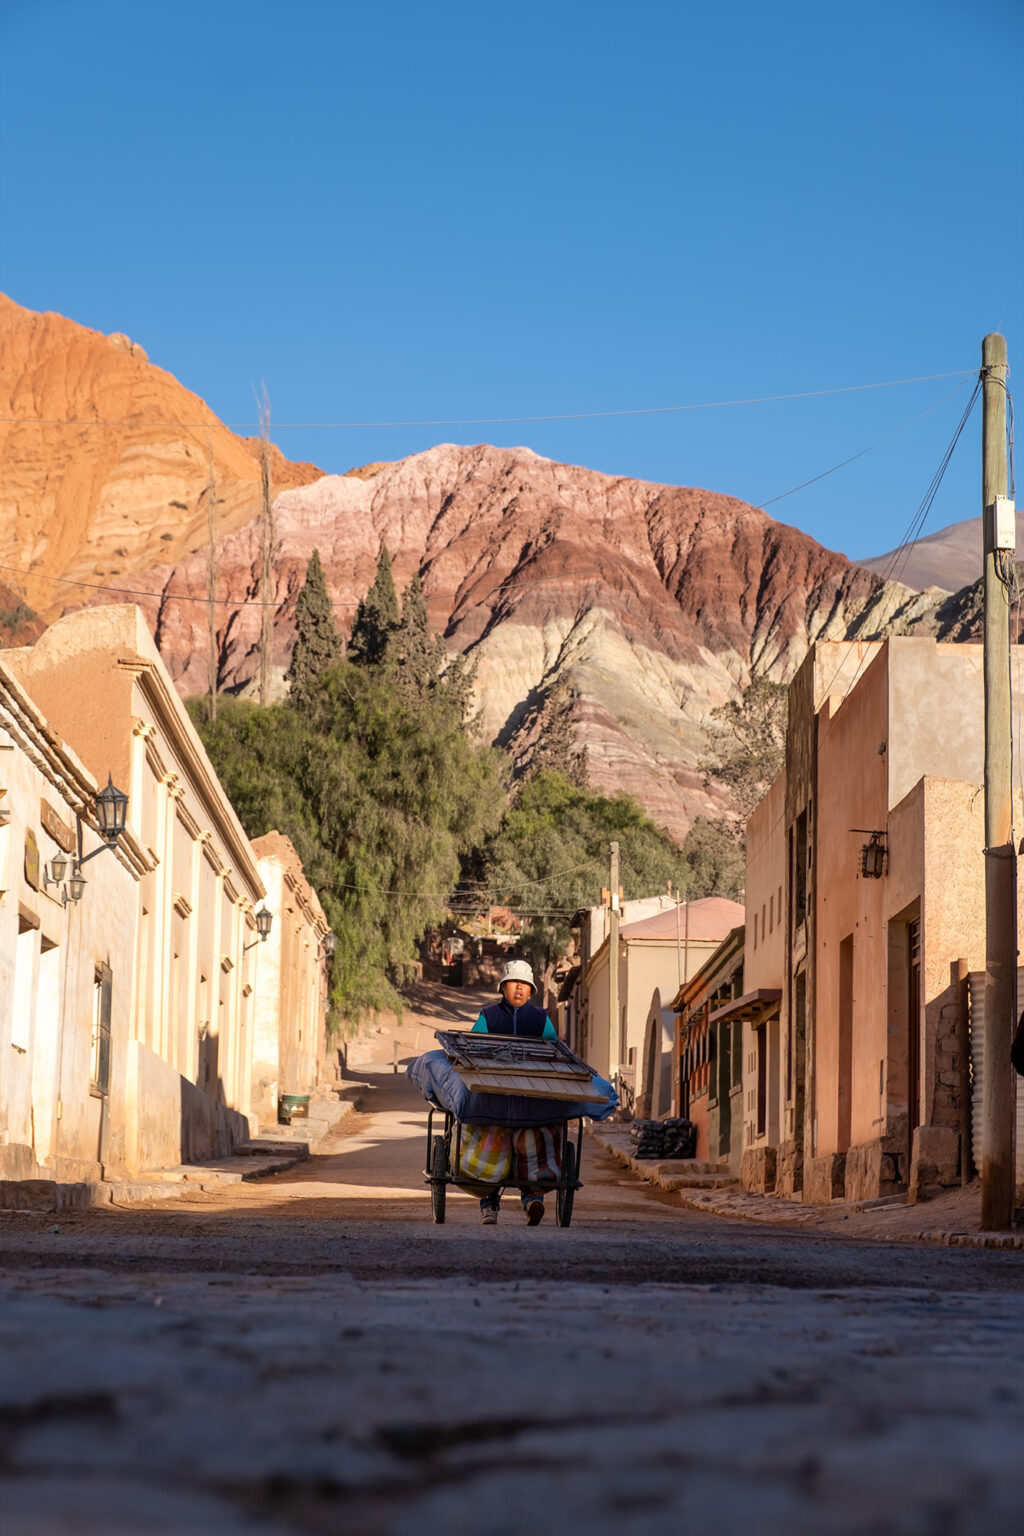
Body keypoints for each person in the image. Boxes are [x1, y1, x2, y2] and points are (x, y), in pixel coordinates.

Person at [472, 959, 557, 1227]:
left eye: (524, 984)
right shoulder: (488, 1017)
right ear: (504, 987)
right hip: (493, 1100)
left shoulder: (541, 1019)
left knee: (532, 1146)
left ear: (531, 990)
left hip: (529, 1101)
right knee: (490, 1147)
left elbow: (555, 1052)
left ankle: (533, 1202)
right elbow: (473, 1049)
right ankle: (489, 1206)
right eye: (513, 983)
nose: (518, 988)